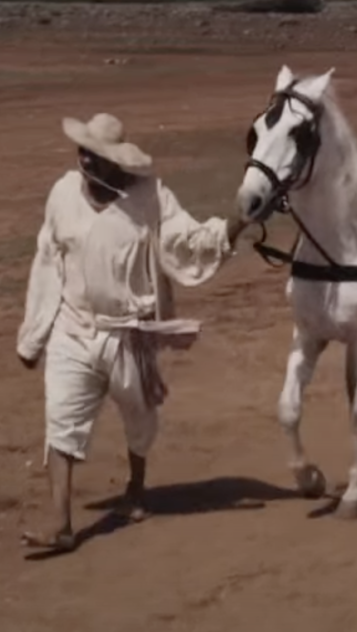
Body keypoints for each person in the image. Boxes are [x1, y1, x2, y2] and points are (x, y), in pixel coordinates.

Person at [15, 113, 246, 554]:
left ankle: (136, 489)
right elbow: (47, 262)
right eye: (83, 151)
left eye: (96, 155)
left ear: (119, 161)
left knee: (140, 419)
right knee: (61, 421)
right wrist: (32, 337)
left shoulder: (151, 197)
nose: (85, 160)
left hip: (129, 336)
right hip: (72, 328)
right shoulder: (63, 193)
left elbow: (189, 242)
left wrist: (236, 224)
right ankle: (61, 522)